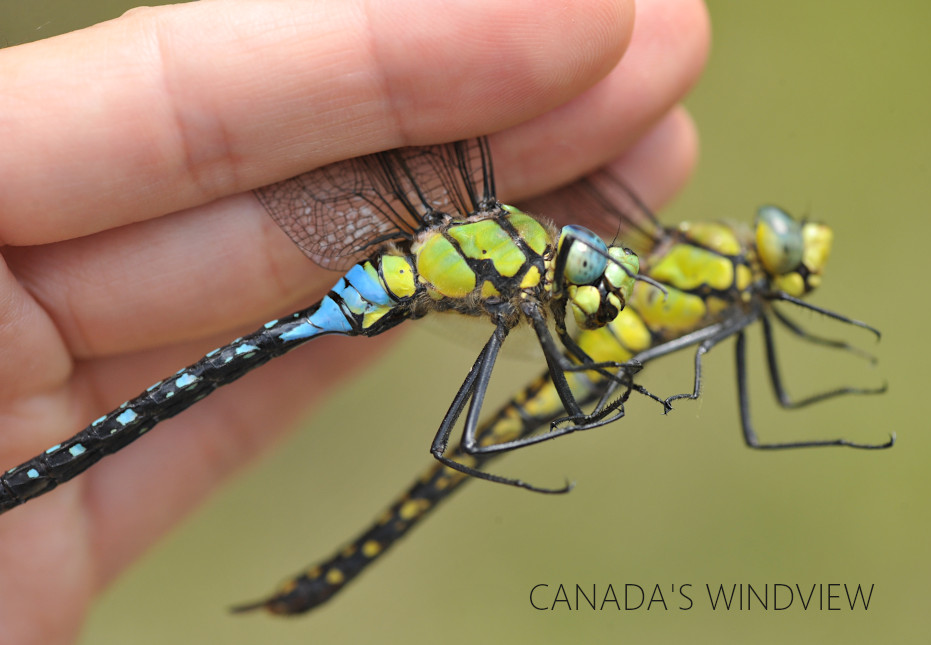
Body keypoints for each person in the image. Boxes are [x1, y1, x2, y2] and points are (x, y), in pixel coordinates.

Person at [0, 0, 708, 640]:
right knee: (459, 438)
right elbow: (495, 422)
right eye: (593, 263)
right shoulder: (524, 276)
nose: (598, 269)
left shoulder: (522, 264)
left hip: (400, 275)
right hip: (378, 284)